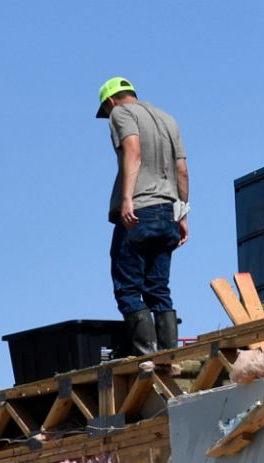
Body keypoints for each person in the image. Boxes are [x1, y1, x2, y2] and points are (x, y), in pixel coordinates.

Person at [97, 76, 188, 355]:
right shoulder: (167, 119)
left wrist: (127, 199)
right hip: (167, 214)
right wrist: (182, 213)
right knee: (158, 289)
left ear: (110, 101)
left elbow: (133, 150)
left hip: (139, 212)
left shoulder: (121, 113)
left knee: (127, 289)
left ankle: (147, 358)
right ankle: (168, 356)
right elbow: (182, 170)